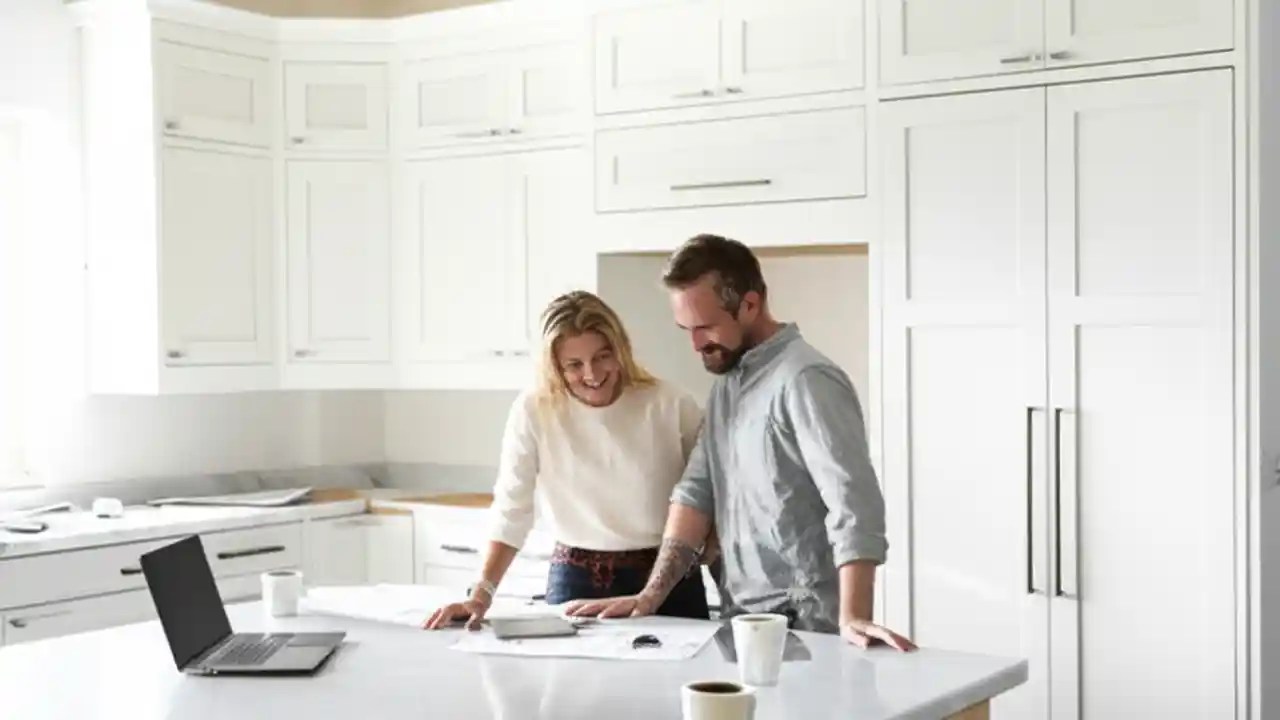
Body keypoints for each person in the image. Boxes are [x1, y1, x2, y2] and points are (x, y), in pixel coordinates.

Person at [566, 235, 916, 652]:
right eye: (686, 330)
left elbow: (853, 501)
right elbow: (697, 492)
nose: (695, 344)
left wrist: (854, 615)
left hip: (806, 621)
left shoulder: (805, 380)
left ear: (750, 305)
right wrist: (649, 597)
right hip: (742, 616)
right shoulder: (728, 388)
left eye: (706, 326)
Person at [424, 290, 712, 630]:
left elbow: (709, 494)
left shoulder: (670, 404)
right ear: (555, 367)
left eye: (603, 356)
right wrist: (480, 594)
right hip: (576, 579)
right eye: (574, 365)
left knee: (675, 680)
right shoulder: (534, 411)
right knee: (573, 683)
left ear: (621, 349)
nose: (592, 374)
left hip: (667, 580)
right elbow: (511, 510)